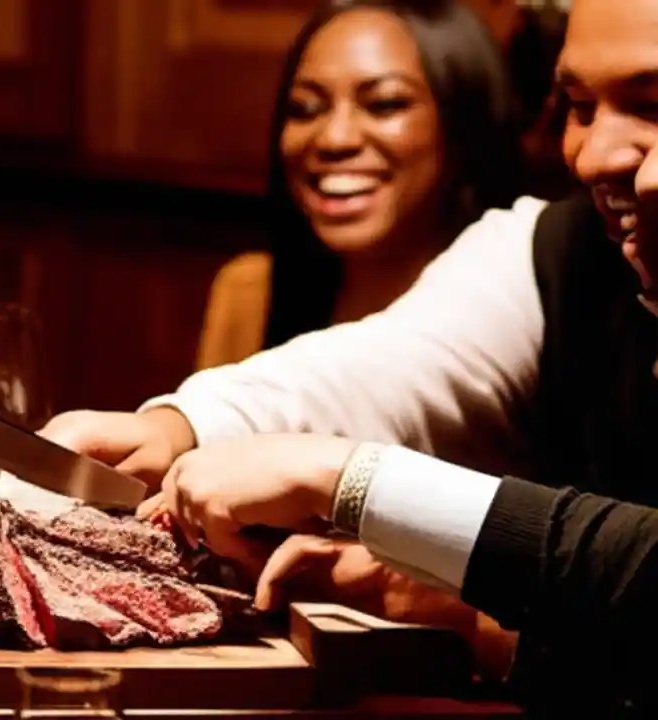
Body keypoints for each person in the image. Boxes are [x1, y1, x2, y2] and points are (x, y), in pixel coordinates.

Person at [43, 0, 658, 711]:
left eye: (650, 106)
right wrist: (180, 426)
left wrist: (350, 479)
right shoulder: (554, 248)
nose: (595, 154)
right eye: (580, 107)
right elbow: (398, 361)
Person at [197, 0, 520, 369]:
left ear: (464, 127)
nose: (334, 138)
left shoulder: (519, 318)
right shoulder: (251, 295)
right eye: (305, 108)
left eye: (384, 104)